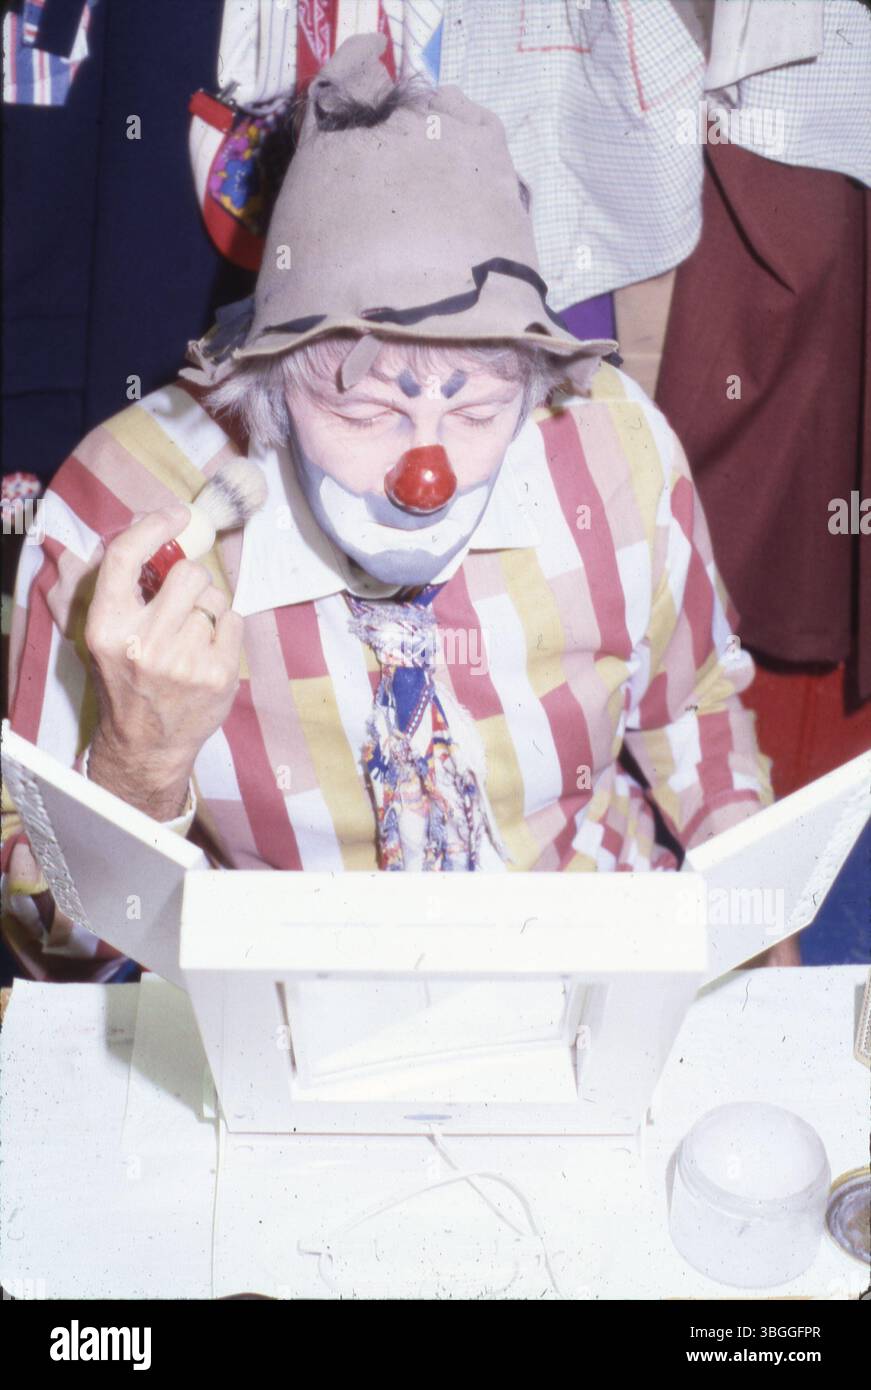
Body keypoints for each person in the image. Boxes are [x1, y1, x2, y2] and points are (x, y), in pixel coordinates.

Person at [1, 34, 790, 983]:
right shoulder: (112, 515)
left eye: (478, 405)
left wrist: (759, 958)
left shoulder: (615, 448)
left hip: (595, 950)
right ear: (270, 386)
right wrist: (139, 762)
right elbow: (58, 960)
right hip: (292, 1008)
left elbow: (694, 708)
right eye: (366, 407)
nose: (429, 474)